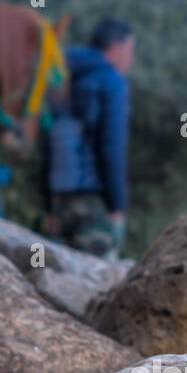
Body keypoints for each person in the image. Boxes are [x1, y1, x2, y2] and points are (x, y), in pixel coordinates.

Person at [43, 18, 134, 257]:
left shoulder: (61, 78)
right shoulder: (112, 81)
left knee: (54, 281)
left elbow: (49, 144)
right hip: (94, 201)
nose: (131, 59)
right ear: (115, 47)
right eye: (130, 50)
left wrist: (48, 206)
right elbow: (111, 147)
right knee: (97, 283)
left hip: (58, 198)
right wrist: (116, 205)